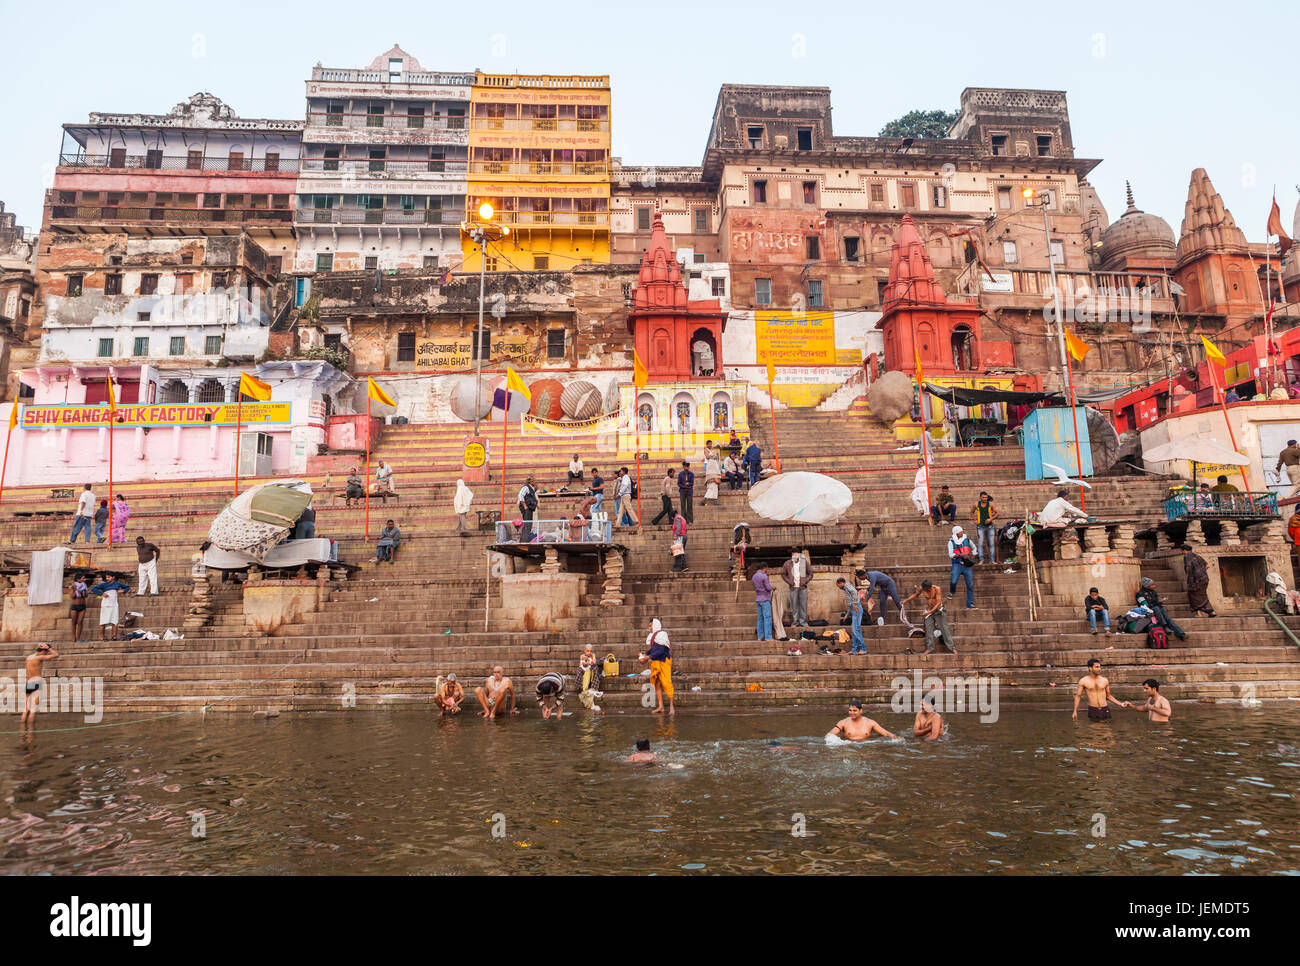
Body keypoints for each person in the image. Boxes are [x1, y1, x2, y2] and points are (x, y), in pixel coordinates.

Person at [903, 579, 955, 658]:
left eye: (929, 589)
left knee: (944, 629)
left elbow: (938, 603)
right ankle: (929, 648)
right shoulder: (921, 589)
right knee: (928, 629)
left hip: (938, 610)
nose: (928, 590)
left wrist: (929, 612)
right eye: (926, 589)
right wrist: (905, 601)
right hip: (929, 610)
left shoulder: (937, 589)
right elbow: (916, 595)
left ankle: (952, 648)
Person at [639, 618, 674, 715]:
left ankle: (671, 707)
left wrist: (648, 657)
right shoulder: (652, 636)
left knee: (667, 684)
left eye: (650, 626)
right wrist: (644, 654)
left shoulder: (662, 635)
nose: (649, 628)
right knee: (657, 684)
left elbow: (661, 650)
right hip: (656, 662)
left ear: (655, 625)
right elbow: (653, 649)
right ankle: (661, 706)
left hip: (663, 662)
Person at [1136, 577, 1187, 641]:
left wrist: (1160, 602)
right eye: (1152, 585)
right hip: (1147, 611)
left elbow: (1155, 602)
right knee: (1157, 608)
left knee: (1167, 618)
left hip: (1157, 610)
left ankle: (1181, 634)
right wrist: (1157, 602)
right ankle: (1164, 626)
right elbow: (1146, 606)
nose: (1154, 586)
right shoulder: (1140, 594)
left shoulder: (1153, 592)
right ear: (1147, 586)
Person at [21, 643, 60, 724]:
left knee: (25, 710)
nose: (46, 654)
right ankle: (31, 733)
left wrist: (42, 647)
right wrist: (48, 648)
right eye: (46, 652)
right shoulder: (40, 657)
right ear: (43, 651)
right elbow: (56, 655)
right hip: (37, 683)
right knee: (33, 711)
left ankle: (22, 731)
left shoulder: (28, 658)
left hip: (28, 683)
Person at [827, 699, 896, 741]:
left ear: (861, 711)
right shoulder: (843, 723)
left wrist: (896, 737)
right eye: (850, 710)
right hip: (849, 747)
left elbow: (885, 733)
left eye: (855, 711)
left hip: (865, 747)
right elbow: (829, 735)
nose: (852, 713)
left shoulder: (870, 723)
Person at [90, 574, 130, 641]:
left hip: (114, 605)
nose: (107, 578)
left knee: (114, 621)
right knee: (103, 622)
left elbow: (127, 587)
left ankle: (114, 636)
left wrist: (122, 591)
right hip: (105, 605)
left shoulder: (117, 584)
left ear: (113, 577)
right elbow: (93, 589)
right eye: (106, 577)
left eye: (109, 577)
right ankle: (101, 637)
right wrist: (102, 594)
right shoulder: (104, 584)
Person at [781, 547, 814, 628]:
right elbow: (783, 574)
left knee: (803, 605)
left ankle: (803, 622)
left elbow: (811, 573)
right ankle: (795, 622)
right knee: (794, 605)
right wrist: (789, 582)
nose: (794, 556)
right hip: (793, 587)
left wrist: (805, 581)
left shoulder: (804, 563)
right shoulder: (787, 563)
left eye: (795, 554)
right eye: (792, 554)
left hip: (803, 587)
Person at [1182, 544, 1217, 617]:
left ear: (1184, 550)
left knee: (1197, 595)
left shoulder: (1187, 556)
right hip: (1204, 579)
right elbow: (1207, 565)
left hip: (1196, 580)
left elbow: (1188, 567)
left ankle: (1211, 612)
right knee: (1198, 595)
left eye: (1182, 551)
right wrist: (1201, 572)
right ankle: (1199, 613)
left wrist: (1189, 575)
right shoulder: (1197, 556)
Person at [947, 525, 976, 609]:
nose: (962, 533)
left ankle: (970, 604)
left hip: (966, 565)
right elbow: (951, 554)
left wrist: (974, 554)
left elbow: (974, 548)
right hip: (957, 564)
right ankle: (952, 592)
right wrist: (961, 555)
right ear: (956, 533)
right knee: (953, 581)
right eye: (960, 532)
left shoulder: (966, 540)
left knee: (970, 585)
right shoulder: (951, 542)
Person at [835, 576, 865, 655]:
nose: (839, 587)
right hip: (853, 609)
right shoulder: (846, 588)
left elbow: (855, 592)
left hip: (856, 609)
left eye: (838, 586)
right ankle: (854, 650)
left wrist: (855, 604)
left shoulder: (847, 586)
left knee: (856, 630)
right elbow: (850, 604)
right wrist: (847, 615)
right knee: (855, 630)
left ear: (841, 583)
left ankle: (863, 648)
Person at [971, 491, 999, 564]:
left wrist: (991, 519)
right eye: (983, 497)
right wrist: (975, 520)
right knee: (980, 544)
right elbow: (971, 512)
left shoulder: (990, 504)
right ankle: (981, 560)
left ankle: (992, 560)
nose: (985, 499)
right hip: (980, 526)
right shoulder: (976, 504)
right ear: (980, 497)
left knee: (992, 544)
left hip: (990, 526)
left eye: (986, 497)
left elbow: (997, 513)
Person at [753, 563, 774, 642]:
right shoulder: (764, 576)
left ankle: (760, 637)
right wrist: (773, 587)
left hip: (758, 599)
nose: (767, 570)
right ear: (764, 568)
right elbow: (768, 588)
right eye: (766, 569)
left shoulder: (754, 576)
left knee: (760, 619)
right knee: (767, 618)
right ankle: (768, 637)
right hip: (765, 599)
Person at [516, 475, 539, 541]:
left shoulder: (530, 488)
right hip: (526, 509)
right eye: (534, 481)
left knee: (529, 524)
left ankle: (525, 539)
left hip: (530, 509)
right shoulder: (526, 487)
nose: (535, 482)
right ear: (531, 481)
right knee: (527, 524)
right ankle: (524, 540)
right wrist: (525, 506)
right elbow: (520, 495)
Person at [68, 574, 88, 642]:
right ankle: (73, 638)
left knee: (80, 622)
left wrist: (83, 590)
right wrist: (75, 590)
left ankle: (78, 638)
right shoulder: (72, 586)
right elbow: (72, 596)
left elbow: (85, 596)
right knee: (74, 622)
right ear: (78, 579)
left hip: (82, 606)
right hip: (74, 606)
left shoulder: (84, 586)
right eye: (83, 578)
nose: (84, 579)